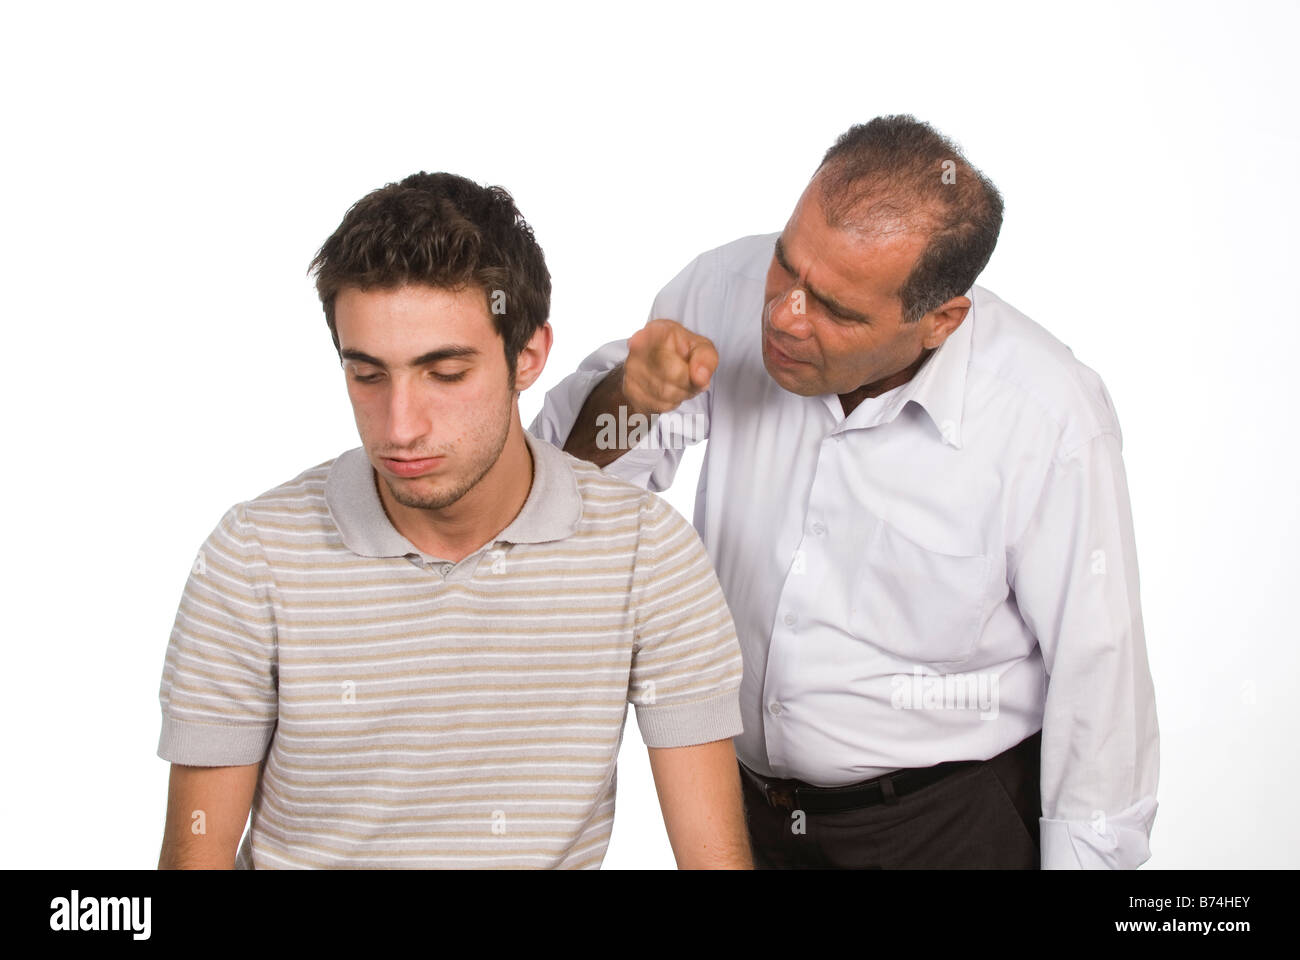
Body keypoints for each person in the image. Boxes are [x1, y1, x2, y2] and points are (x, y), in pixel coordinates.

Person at [531, 115, 1159, 869]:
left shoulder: (1048, 417)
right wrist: (631, 394)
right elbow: (566, 495)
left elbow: (1100, 681)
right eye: (785, 266)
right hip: (743, 819)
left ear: (939, 322)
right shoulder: (723, 290)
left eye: (836, 309)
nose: (784, 317)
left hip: (943, 829)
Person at [155, 172, 751, 869]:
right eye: (368, 375)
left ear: (526, 356)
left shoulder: (648, 555)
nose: (401, 428)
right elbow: (194, 857)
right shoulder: (253, 558)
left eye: (444, 373)